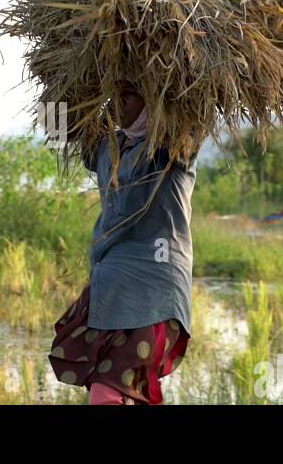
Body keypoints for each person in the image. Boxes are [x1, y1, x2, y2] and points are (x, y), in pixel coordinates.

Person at [48, 81, 196, 405]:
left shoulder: (170, 150)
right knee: (116, 392)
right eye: (115, 96)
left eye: (128, 96)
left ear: (152, 102)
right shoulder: (108, 148)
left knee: (108, 392)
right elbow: (57, 128)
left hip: (151, 295)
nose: (118, 104)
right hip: (110, 294)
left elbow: (193, 113)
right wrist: (62, 81)